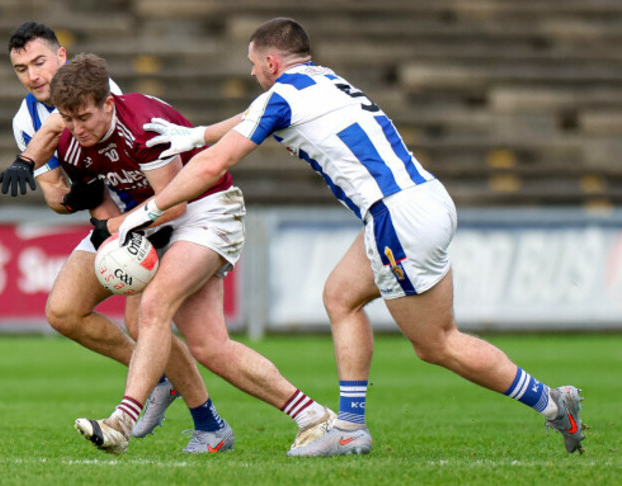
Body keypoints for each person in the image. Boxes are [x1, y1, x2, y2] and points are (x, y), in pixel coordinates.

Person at [119, 17, 587, 456]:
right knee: (341, 296)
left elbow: (216, 164)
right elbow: (249, 116)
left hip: (396, 217)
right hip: (426, 198)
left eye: (253, 63)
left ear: (271, 63)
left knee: (436, 343)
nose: (252, 72)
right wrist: (195, 134)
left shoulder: (281, 94)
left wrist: (151, 209)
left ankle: (550, 403)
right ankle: (349, 427)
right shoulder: (322, 78)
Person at [45, 53, 336, 455]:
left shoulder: (141, 127)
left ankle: (122, 421)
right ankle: (314, 418)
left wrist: (118, 230)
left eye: (84, 117)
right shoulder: (71, 145)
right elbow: (100, 205)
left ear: (107, 104)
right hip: (154, 218)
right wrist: (114, 237)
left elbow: (175, 204)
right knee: (210, 346)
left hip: (206, 207)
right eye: (68, 119)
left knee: (154, 306)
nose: (76, 128)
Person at [0, 22, 219, 448]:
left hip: (153, 209)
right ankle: (156, 376)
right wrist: (77, 198)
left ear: (62, 57)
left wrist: (27, 158)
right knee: (63, 312)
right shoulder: (24, 119)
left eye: (40, 62)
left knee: (142, 319)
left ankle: (208, 422)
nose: (33, 75)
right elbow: (55, 195)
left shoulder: (95, 89)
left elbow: (64, 127)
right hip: (109, 217)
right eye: (21, 69)